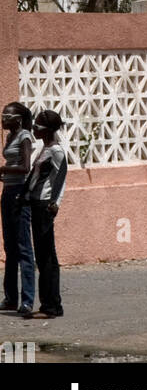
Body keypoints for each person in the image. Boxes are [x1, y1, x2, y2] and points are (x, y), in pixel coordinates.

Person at [21, 111, 67, 320]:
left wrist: (55, 204)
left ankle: (51, 305)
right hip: (36, 203)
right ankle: (49, 303)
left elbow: (61, 178)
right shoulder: (45, 150)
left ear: (47, 130)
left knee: (47, 257)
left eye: (37, 127)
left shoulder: (56, 151)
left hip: (45, 206)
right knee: (44, 256)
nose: (34, 130)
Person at [0, 102, 36, 317]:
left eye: (7, 115)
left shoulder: (25, 136)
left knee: (24, 247)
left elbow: (25, 167)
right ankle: (11, 298)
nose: (3, 118)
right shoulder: (9, 137)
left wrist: (2, 169)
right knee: (10, 246)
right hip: (7, 191)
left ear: (19, 119)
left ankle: (28, 300)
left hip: (20, 194)